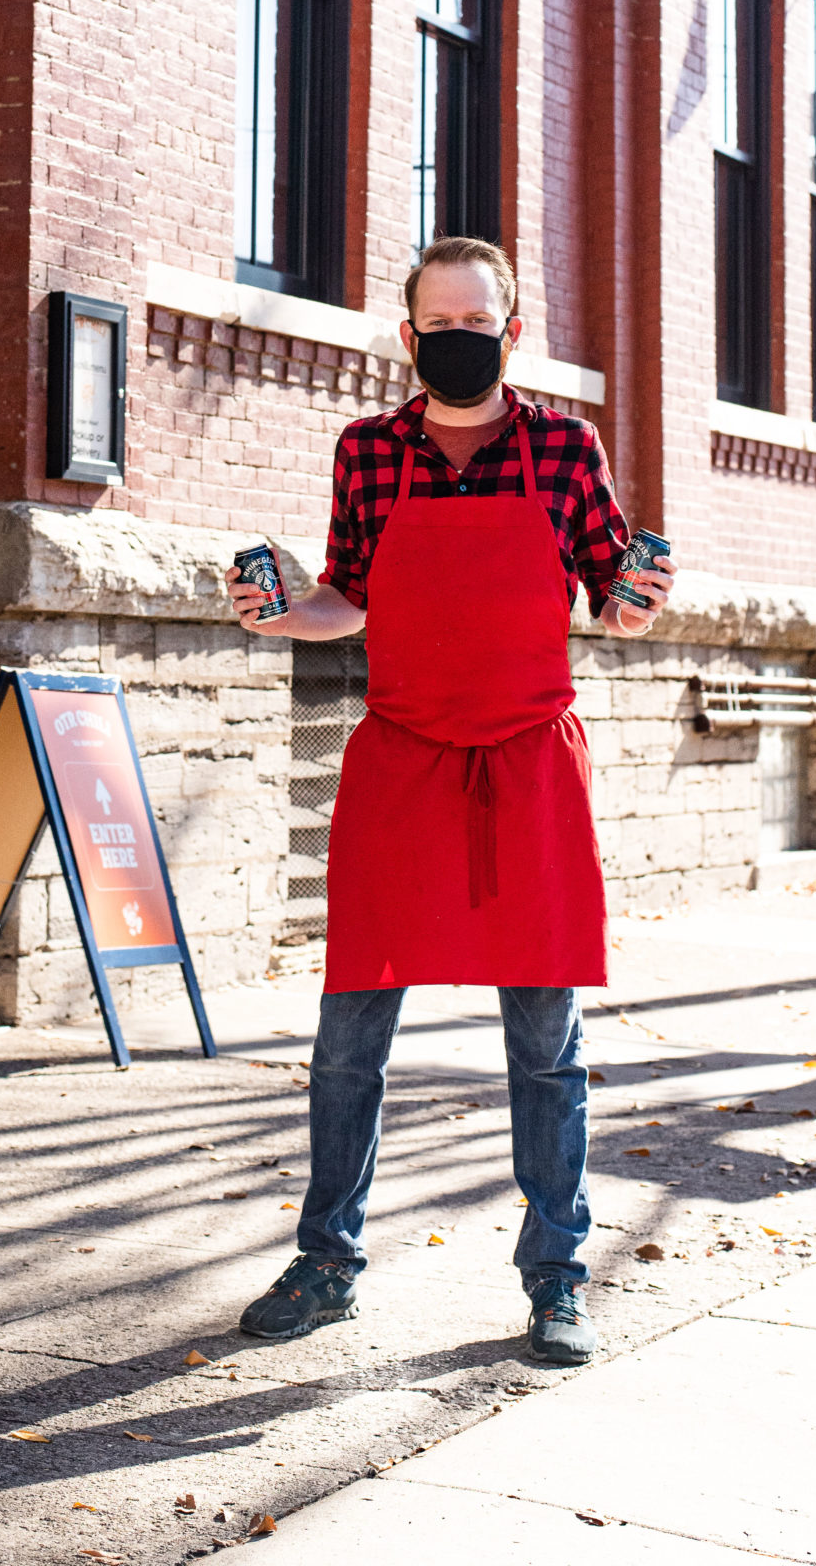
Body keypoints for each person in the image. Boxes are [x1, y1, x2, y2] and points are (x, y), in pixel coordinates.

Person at [225, 235, 676, 1366]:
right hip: (401, 762)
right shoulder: (367, 451)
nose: (458, 339)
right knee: (347, 1037)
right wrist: (280, 613)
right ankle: (326, 1260)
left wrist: (637, 599)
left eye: (477, 322)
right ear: (408, 334)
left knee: (545, 1041)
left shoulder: (565, 448)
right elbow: (348, 597)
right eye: (439, 324)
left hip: (526, 764)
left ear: (510, 333)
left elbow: (611, 596)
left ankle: (556, 1277)